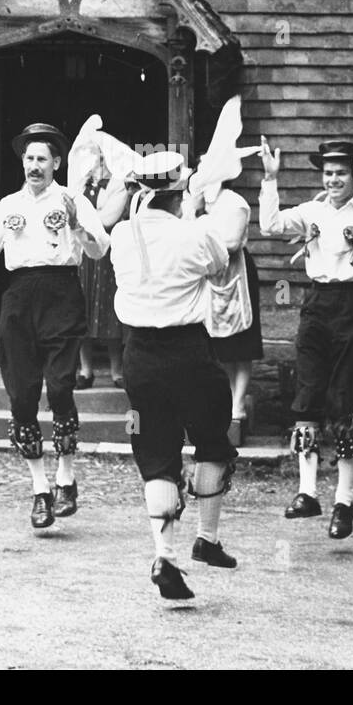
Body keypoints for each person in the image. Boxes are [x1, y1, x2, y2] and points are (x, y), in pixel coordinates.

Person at [0, 122, 109, 530]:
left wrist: (78, 225)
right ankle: (40, 490)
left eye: (42, 158)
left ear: (57, 162)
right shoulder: (7, 205)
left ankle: (66, 478)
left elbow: (99, 250)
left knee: (61, 385)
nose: (34, 165)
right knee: (22, 395)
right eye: (29, 158)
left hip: (61, 294)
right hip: (19, 297)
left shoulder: (73, 199)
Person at [111, 152, 239, 601]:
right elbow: (221, 265)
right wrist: (199, 213)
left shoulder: (123, 236)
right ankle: (207, 537)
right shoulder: (196, 233)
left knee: (155, 451)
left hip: (139, 357)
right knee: (212, 440)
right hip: (189, 351)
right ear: (179, 190)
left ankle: (165, 556)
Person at [258, 128, 353, 539]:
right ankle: (307, 492)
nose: (333, 181)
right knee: (307, 394)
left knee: (344, 400)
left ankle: (344, 502)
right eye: (328, 173)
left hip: (352, 306)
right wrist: (271, 179)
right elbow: (271, 225)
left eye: (341, 174)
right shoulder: (312, 212)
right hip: (317, 304)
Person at [203, 179, 264, 444]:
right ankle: (226, 399)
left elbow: (232, 242)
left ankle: (238, 403)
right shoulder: (199, 202)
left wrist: (201, 232)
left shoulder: (235, 203)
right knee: (222, 346)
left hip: (236, 274)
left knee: (241, 344)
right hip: (213, 274)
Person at [76, 172, 125, 390]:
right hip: (83, 253)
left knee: (109, 310)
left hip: (108, 255)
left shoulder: (116, 185)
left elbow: (108, 220)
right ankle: (86, 371)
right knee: (82, 309)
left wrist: (91, 216)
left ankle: (117, 371)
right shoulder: (77, 182)